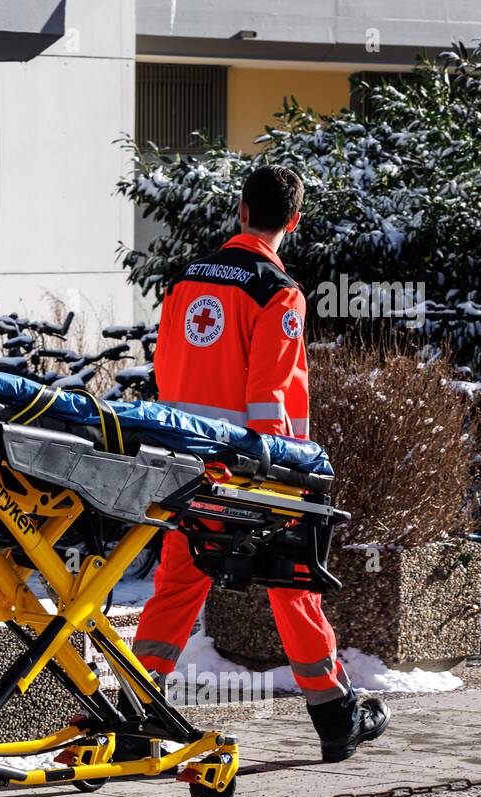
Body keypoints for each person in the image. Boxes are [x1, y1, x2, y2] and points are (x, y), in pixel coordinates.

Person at [131, 164, 389, 762]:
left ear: (241, 211)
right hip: (251, 469)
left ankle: (137, 712)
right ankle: (334, 715)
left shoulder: (184, 282)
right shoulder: (278, 292)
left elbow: (168, 375)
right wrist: (283, 477)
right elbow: (272, 397)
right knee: (293, 583)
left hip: (184, 462)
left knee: (177, 583)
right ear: (292, 222)